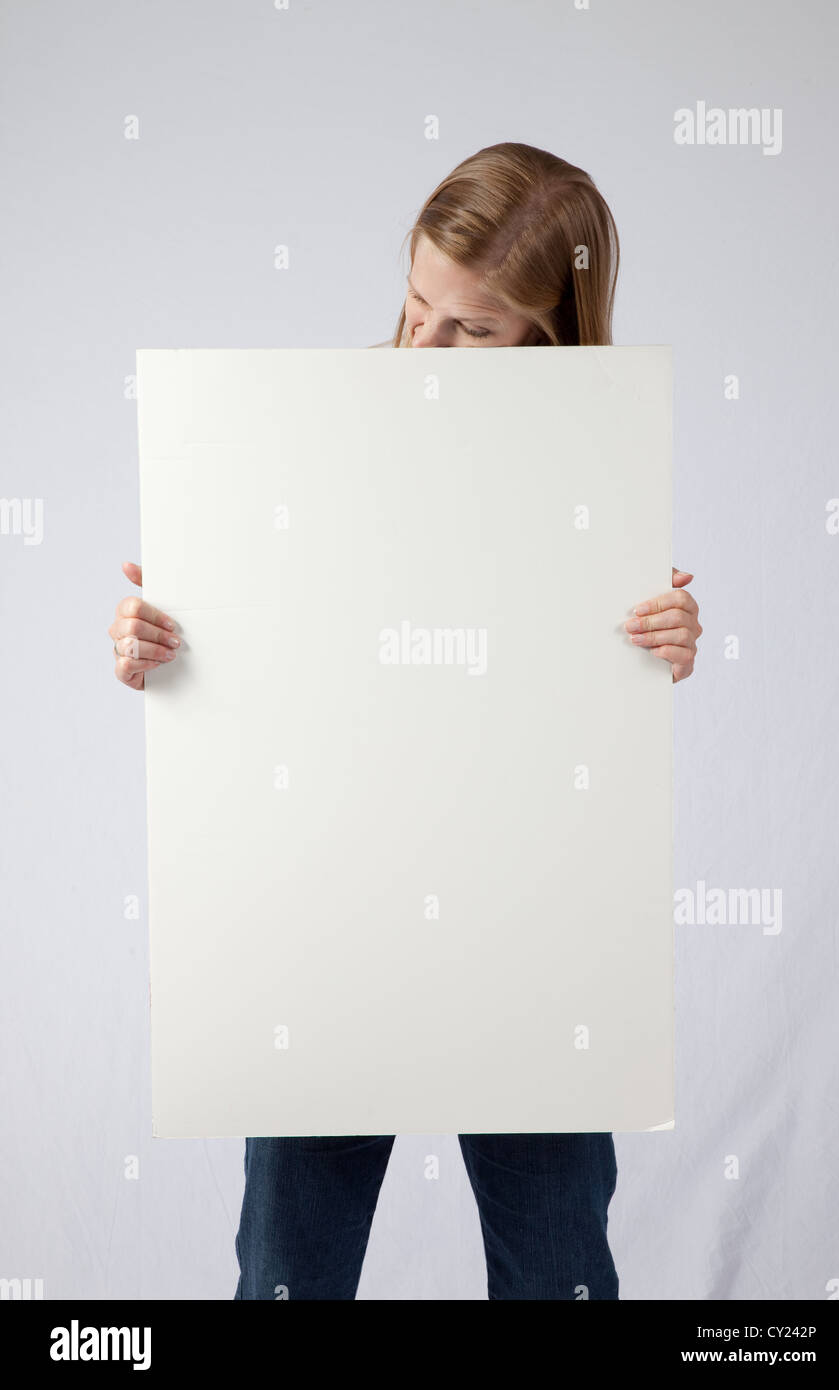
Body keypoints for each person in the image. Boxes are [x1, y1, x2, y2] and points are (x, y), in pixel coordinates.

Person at [108, 142, 701, 1299]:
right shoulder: (297, 446)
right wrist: (156, 643)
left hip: (532, 929)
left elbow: (578, 694)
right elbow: (247, 654)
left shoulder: (591, 482)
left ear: (549, 333)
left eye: (471, 331)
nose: (422, 348)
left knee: (557, 1267)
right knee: (287, 1268)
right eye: (414, 304)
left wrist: (660, 642)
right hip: (326, 919)